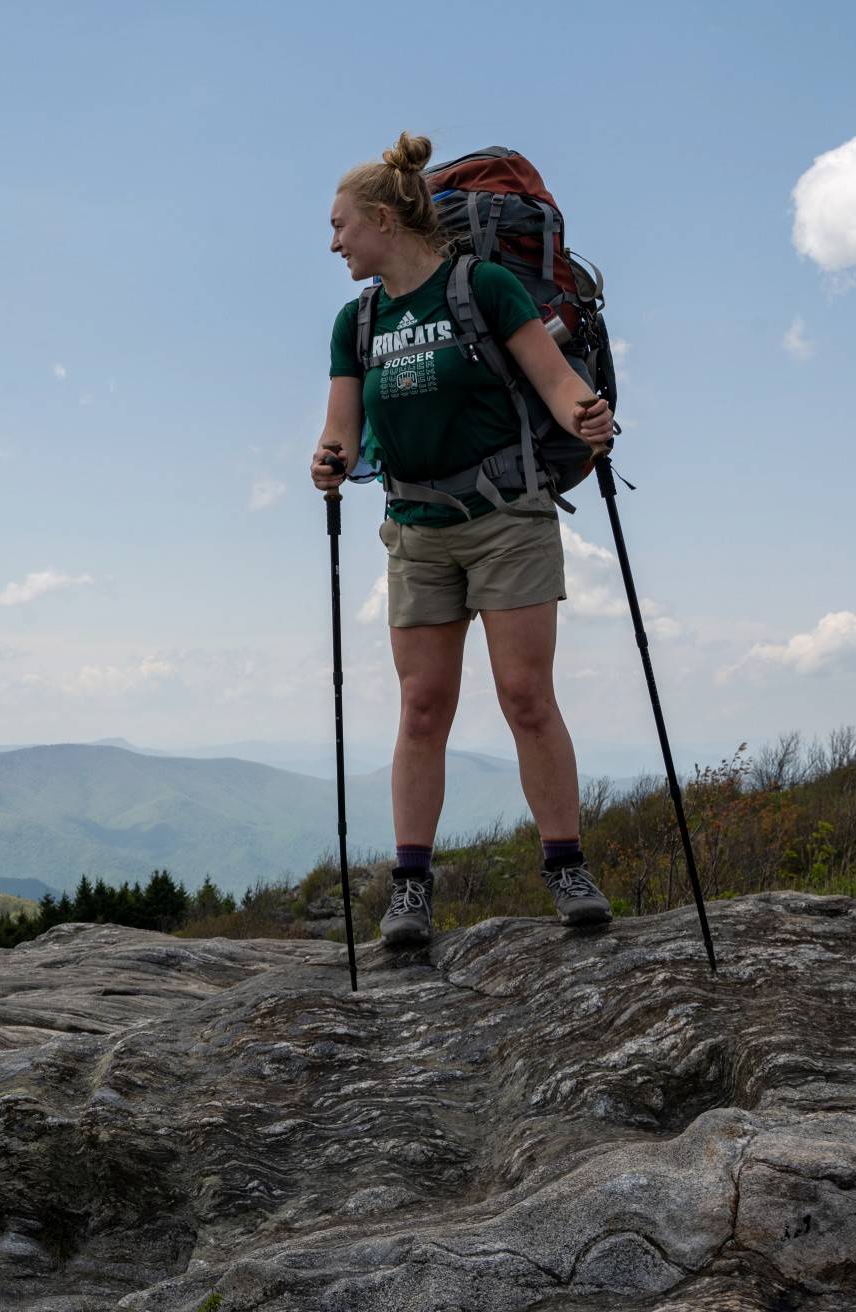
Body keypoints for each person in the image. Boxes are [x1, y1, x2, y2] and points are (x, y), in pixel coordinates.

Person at [310, 132, 615, 949]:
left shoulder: (479, 286)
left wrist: (587, 415)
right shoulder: (357, 320)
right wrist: (329, 461)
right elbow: (343, 428)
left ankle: (566, 867)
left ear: (382, 219)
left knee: (525, 696)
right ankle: (410, 889)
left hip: (508, 516)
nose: (333, 242)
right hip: (416, 529)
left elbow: (556, 384)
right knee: (421, 708)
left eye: (341, 225)